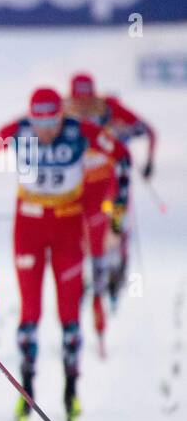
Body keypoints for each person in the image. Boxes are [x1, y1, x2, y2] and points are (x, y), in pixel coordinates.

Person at [0, 88, 124, 421]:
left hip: (69, 223)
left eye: (52, 122)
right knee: (30, 312)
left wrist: (119, 207)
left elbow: (122, 157)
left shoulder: (78, 130)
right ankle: (27, 393)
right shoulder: (20, 129)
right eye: (40, 122)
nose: (46, 131)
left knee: (69, 313)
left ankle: (71, 393)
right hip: (29, 226)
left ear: (61, 116)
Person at [64, 72, 152, 306]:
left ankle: (117, 269)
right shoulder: (61, 111)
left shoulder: (109, 108)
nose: (83, 107)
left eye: (88, 101)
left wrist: (145, 161)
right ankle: (80, 279)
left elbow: (147, 130)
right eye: (77, 102)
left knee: (114, 223)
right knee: (78, 231)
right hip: (79, 184)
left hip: (109, 182)